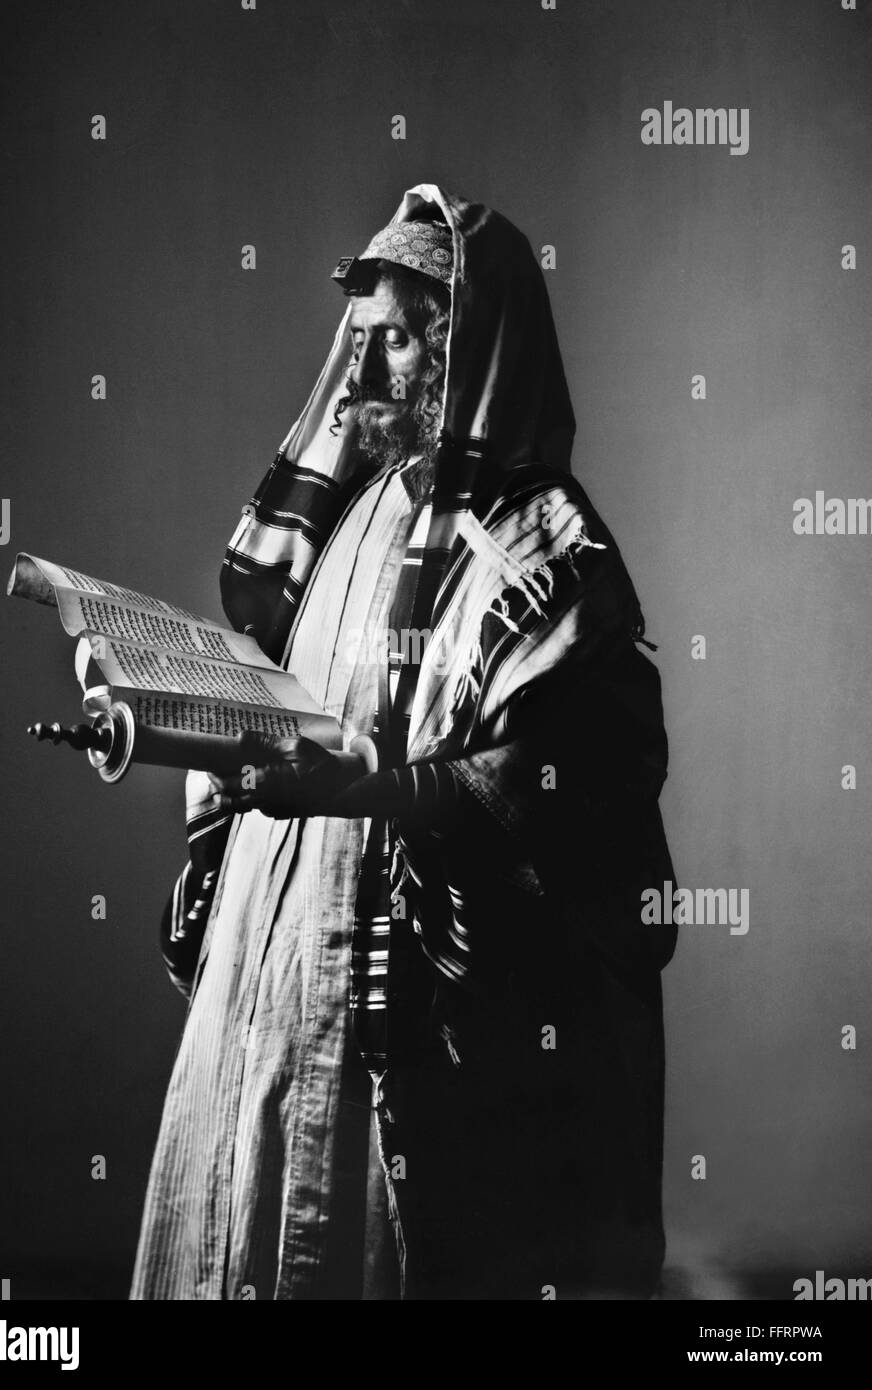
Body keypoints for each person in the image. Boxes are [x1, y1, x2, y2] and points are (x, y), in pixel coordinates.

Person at [130, 183, 678, 1302]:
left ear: (464, 354)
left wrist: (379, 792)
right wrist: (173, 725)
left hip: (423, 1030)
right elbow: (281, 695)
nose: (363, 373)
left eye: (396, 343)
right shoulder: (349, 516)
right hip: (274, 973)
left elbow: (575, 795)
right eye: (360, 341)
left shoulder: (544, 552)